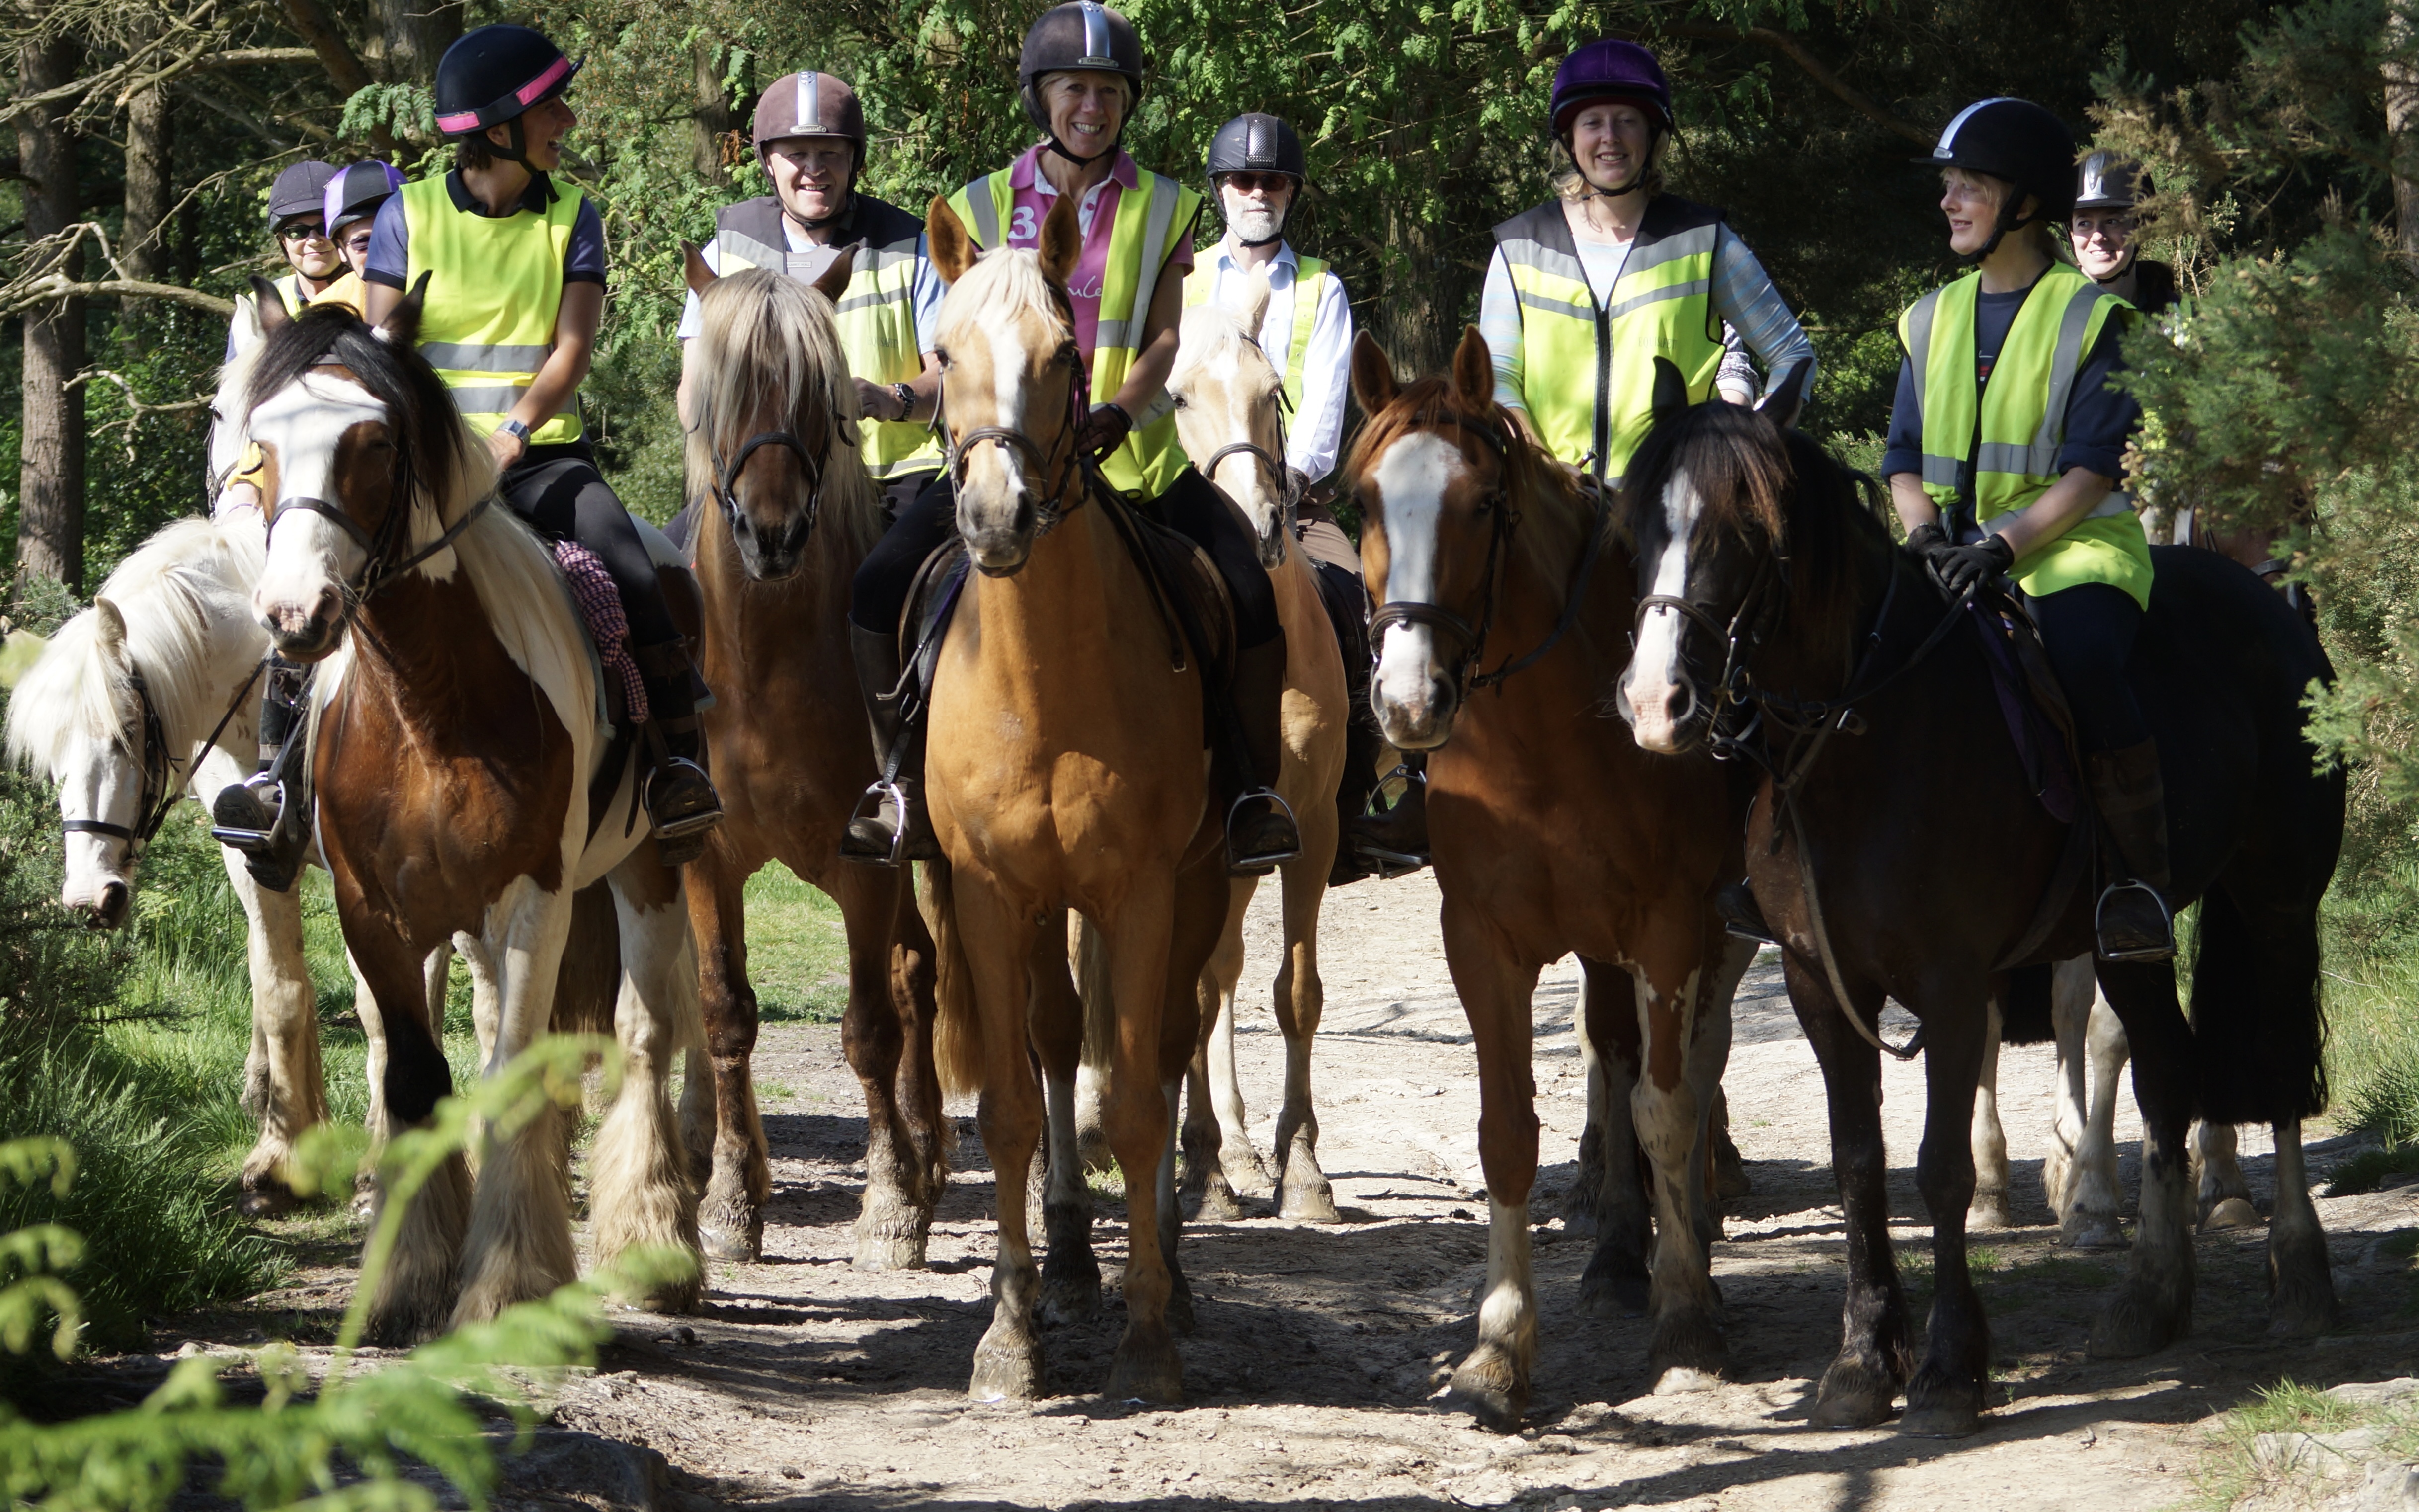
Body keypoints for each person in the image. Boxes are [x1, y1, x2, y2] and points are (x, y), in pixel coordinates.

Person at [215, 23, 723, 886]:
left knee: (634, 567)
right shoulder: (406, 215)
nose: (566, 120)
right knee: (316, 570)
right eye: (550, 107)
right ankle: (275, 778)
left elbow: (570, 350)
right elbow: (383, 352)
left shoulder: (573, 215)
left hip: (540, 456)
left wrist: (511, 434)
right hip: (423, 466)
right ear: (497, 127)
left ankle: (677, 768)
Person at [839, 0, 1300, 879]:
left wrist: (1120, 411)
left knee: (1247, 589)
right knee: (876, 585)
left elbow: (1165, 337)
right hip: (1001, 461)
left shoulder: (1165, 206)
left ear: (1128, 103)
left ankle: (1249, 794)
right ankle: (900, 783)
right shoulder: (977, 206)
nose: (1092, 107)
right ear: (1040, 97)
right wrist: (899, 399)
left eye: (1109, 92)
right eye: (1074, 89)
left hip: (1134, 465)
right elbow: (956, 349)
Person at [1364, 37, 1819, 878]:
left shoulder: (1705, 238)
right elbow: (1499, 383)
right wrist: (1544, 464)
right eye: (1591, 123)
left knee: (1749, 624)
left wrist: (1739, 447)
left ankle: (1766, 812)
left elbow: (1791, 353)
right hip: (1553, 494)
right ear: (1568, 140)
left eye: (1626, 122)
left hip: (1669, 501)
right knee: (1463, 592)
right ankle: (1428, 782)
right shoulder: (1518, 246)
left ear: (1654, 135)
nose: (1609, 138)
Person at [1885, 98, 2171, 961]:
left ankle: (2134, 879)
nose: (1948, 200)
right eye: (1947, 184)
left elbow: (2090, 473)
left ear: (2026, 203)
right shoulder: (1927, 317)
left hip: (2073, 554)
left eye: (1968, 184)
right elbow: (1903, 458)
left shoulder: (2098, 320)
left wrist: (1999, 546)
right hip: (1949, 555)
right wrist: (1924, 536)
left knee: (2081, 660)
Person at [674, 69, 944, 531]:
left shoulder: (911, 246)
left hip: (890, 486)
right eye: (797, 154)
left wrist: (892, 398)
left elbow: (951, 378)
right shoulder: (726, 250)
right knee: (658, 566)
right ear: (768, 162)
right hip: (753, 485)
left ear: (853, 160)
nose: (814, 168)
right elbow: (692, 390)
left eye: (831, 153)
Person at [2072, 152, 2178, 317]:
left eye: (2112, 221)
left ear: (2140, 228)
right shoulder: (2050, 310)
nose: (2098, 236)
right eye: (2084, 224)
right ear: (2071, 233)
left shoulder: (2179, 317)